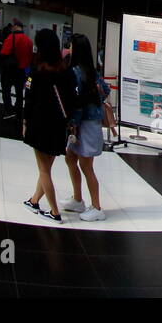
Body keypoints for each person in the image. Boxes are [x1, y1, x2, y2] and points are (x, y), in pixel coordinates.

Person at [22, 29, 78, 223]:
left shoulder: (38, 70)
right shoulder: (66, 71)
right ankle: (34, 200)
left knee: (43, 170)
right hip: (58, 126)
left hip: (39, 124)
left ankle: (54, 212)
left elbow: (29, 99)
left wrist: (25, 121)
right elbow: (72, 100)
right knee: (47, 167)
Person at [61, 34, 109, 222]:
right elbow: (106, 90)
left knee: (86, 165)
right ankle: (77, 199)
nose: (69, 48)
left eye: (71, 45)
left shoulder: (77, 72)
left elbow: (78, 102)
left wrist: (72, 123)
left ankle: (97, 207)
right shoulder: (91, 71)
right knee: (71, 158)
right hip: (85, 122)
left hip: (85, 124)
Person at [0, 19, 32, 119]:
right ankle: (18, 110)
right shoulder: (28, 41)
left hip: (10, 70)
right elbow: (30, 58)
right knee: (19, 92)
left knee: (6, 90)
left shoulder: (11, 37)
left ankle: (9, 111)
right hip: (22, 71)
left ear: (16, 26)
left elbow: (3, 52)